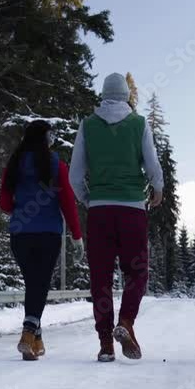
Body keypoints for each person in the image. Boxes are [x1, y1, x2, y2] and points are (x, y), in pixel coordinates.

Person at [70, 73, 164, 362]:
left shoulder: (87, 125)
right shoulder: (139, 123)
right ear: (126, 96)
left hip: (100, 211)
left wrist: (89, 199)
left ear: (103, 95)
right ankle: (125, 321)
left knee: (100, 277)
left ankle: (105, 345)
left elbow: (75, 175)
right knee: (137, 271)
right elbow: (152, 164)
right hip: (132, 210)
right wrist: (157, 188)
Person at [0, 120, 83, 361]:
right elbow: (67, 203)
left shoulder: (14, 164)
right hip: (48, 234)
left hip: (20, 235)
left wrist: (20, 210)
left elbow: (4, 203)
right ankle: (28, 332)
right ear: (46, 139)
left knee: (33, 284)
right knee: (40, 284)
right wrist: (77, 236)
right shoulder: (56, 165)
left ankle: (36, 341)